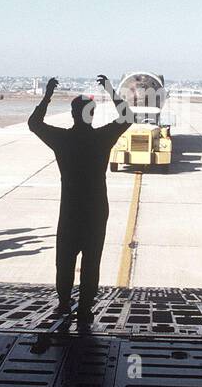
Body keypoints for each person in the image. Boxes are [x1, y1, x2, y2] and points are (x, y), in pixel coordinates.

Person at [28, 75, 132, 327]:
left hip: (71, 210)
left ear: (73, 114)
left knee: (64, 260)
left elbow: (34, 123)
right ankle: (85, 309)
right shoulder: (101, 138)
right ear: (92, 115)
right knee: (91, 262)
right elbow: (128, 118)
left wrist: (47, 96)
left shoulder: (63, 139)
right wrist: (110, 89)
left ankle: (64, 303)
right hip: (96, 209)